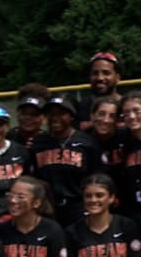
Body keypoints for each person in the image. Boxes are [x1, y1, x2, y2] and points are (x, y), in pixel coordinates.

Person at [31, 95, 101, 227]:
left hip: (78, 207)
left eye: (61, 113)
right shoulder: (38, 143)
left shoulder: (87, 142)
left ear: (71, 116)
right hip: (48, 208)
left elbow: (96, 176)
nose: (55, 117)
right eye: (51, 113)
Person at [78, 51, 122, 129]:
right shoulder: (83, 106)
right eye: (95, 73)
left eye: (106, 73)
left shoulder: (126, 106)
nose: (100, 78)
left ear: (117, 78)